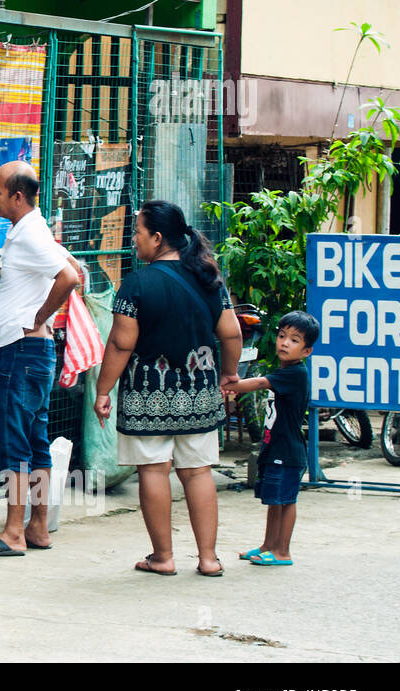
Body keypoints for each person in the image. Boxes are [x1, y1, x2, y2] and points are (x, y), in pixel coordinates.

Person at [93, 200, 242, 577]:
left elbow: (120, 344)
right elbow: (232, 333)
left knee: (154, 471)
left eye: (138, 233)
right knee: (197, 471)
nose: (134, 241)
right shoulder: (209, 278)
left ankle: (163, 557)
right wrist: (228, 374)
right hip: (200, 392)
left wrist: (103, 390)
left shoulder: (137, 284)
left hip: (148, 395)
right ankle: (209, 559)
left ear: (157, 239)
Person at [0, 161, 82, 556]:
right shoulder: (32, 230)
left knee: (14, 443)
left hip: (21, 351)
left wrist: (38, 315)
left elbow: (70, 277)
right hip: (31, 352)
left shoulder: (31, 233)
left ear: (17, 196)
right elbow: (72, 265)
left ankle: (13, 532)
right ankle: (37, 527)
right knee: (34, 442)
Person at [223, 311, 318, 567]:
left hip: (288, 453)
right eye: (282, 336)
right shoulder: (285, 370)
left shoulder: (295, 373)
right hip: (275, 448)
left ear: (306, 350)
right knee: (274, 502)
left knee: (286, 501)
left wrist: (231, 382)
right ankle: (268, 546)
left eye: (295, 340)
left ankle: (282, 552)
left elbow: (258, 383)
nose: (285, 343)